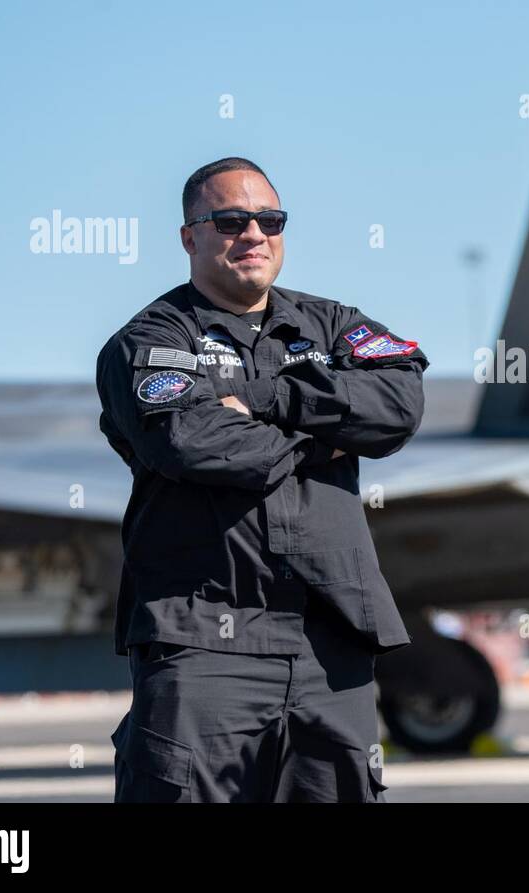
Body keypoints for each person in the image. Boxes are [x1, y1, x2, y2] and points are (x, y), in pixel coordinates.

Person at [96, 157, 427, 802]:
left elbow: (399, 406)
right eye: (229, 220)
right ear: (190, 236)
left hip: (330, 643)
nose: (253, 232)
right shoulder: (149, 340)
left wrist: (263, 398)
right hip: (204, 643)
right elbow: (195, 446)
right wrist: (331, 431)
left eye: (269, 219)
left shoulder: (332, 323)